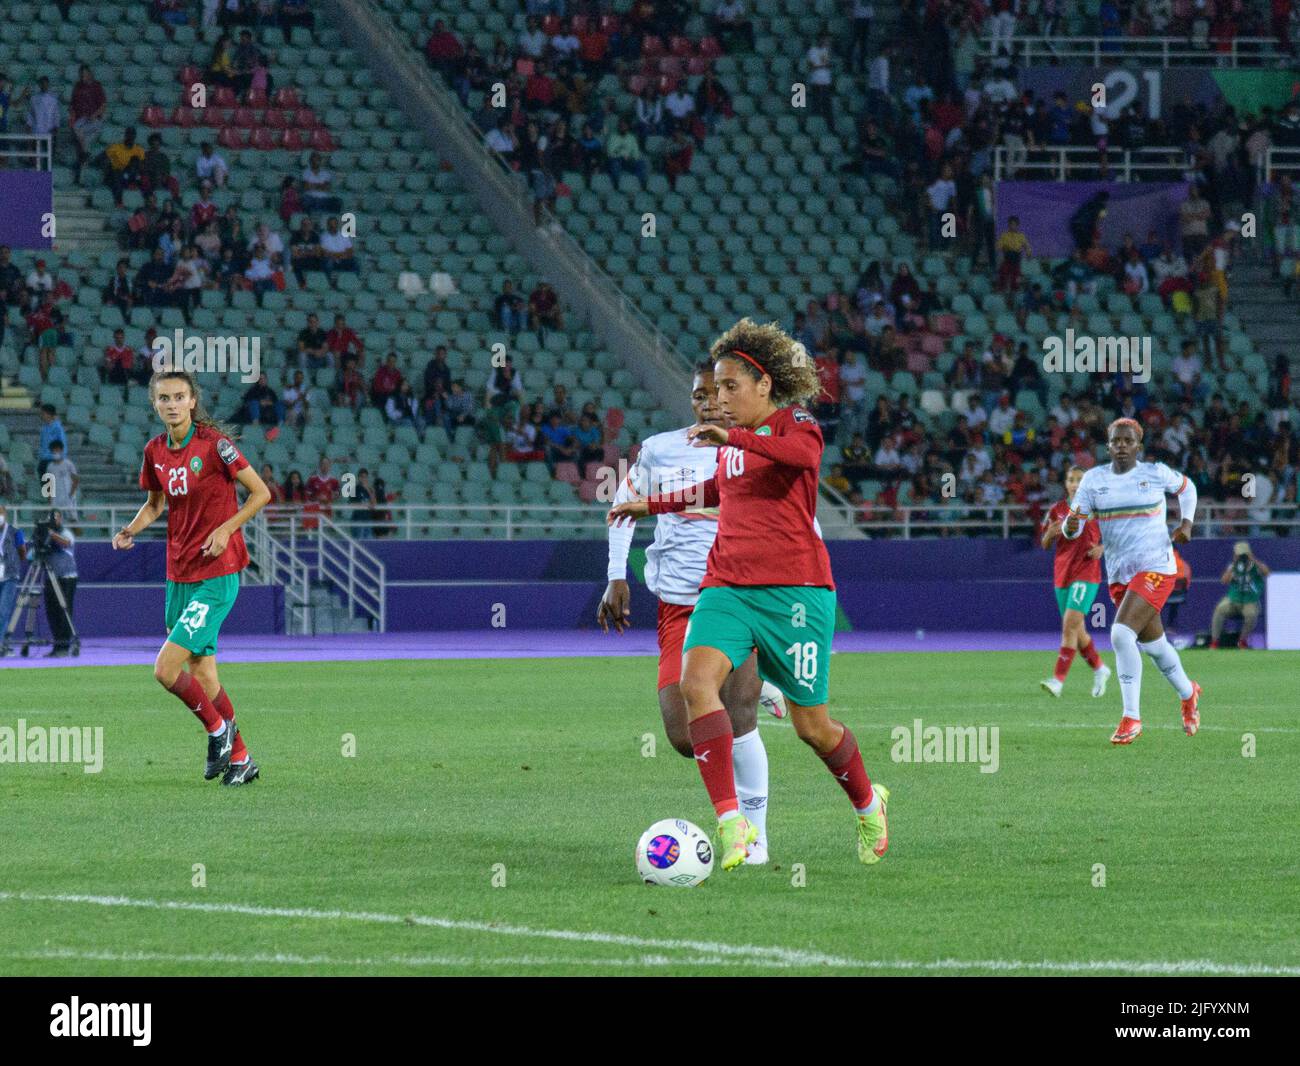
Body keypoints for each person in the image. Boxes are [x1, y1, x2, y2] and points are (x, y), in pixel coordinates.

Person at [608, 319, 890, 870]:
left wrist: (733, 437)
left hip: (796, 596)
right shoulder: (731, 445)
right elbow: (721, 486)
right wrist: (654, 505)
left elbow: (803, 460)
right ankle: (733, 822)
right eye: (713, 389)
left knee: (813, 727)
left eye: (730, 387)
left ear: (763, 386)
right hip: (727, 588)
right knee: (696, 685)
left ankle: (867, 801)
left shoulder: (796, 424)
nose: (719, 398)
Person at [601, 364, 774, 863]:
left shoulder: (757, 450)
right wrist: (617, 576)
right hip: (677, 605)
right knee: (682, 734)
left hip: (738, 598)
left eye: (721, 391)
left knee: (738, 720)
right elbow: (623, 504)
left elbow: (800, 522)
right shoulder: (660, 448)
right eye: (701, 394)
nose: (710, 402)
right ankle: (764, 686)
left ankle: (753, 836)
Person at [112, 370, 272, 785]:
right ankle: (241, 760)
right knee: (204, 675)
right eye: (164, 398)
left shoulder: (215, 446)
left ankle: (219, 733)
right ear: (155, 404)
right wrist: (131, 529)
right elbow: (154, 505)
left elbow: (261, 493)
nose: (171, 404)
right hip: (178, 573)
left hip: (217, 574)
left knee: (165, 669)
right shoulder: (154, 451)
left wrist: (226, 528)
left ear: (192, 400)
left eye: (179, 396)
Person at [1062, 418, 1201, 745]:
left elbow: (1188, 488)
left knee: (1121, 634)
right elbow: (1075, 527)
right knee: (1155, 647)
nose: (1121, 445)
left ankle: (1131, 717)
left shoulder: (1154, 473)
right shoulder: (1094, 481)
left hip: (1158, 566)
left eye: (1128, 440)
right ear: (1107, 446)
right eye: (1115, 441)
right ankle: (1188, 692)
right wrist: (1071, 526)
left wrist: (1187, 523)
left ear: (1138, 446)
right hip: (1121, 573)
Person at [1038, 465, 1110, 698]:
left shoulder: (1098, 509)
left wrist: (1102, 548)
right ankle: (1100, 669)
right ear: (1066, 483)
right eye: (1071, 479)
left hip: (1087, 573)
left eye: (1080, 479)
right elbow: (1045, 543)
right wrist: (1050, 534)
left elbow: (1116, 536)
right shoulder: (1056, 510)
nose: (1075, 483)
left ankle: (1058, 681)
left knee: (1069, 625)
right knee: (1077, 630)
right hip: (1062, 574)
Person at [1211, 542, 1269, 648]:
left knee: (1251, 615)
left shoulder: (1255, 566)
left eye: (1244, 554)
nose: (1242, 557)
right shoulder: (1234, 566)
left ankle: (1242, 640)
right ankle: (1215, 641)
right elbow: (1224, 581)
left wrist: (1253, 559)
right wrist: (1233, 565)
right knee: (1219, 609)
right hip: (1234, 599)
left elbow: (1267, 573)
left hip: (1250, 600)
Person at [41, 509, 78, 656]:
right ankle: (57, 645)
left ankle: (64, 646)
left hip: (67, 577)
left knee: (64, 611)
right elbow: (34, 554)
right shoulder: (45, 535)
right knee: (52, 612)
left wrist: (51, 534)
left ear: (60, 519)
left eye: (55, 517)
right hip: (51, 578)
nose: (52, 520)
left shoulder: (65, 533)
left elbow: (66, 543)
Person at [0, 504, 27, 641]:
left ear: (5, 515)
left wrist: (14, 563)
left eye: (1, 513)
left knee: (3, 610)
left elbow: (22, 551)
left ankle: (1, 642)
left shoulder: (15, 532)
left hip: (10, 575)